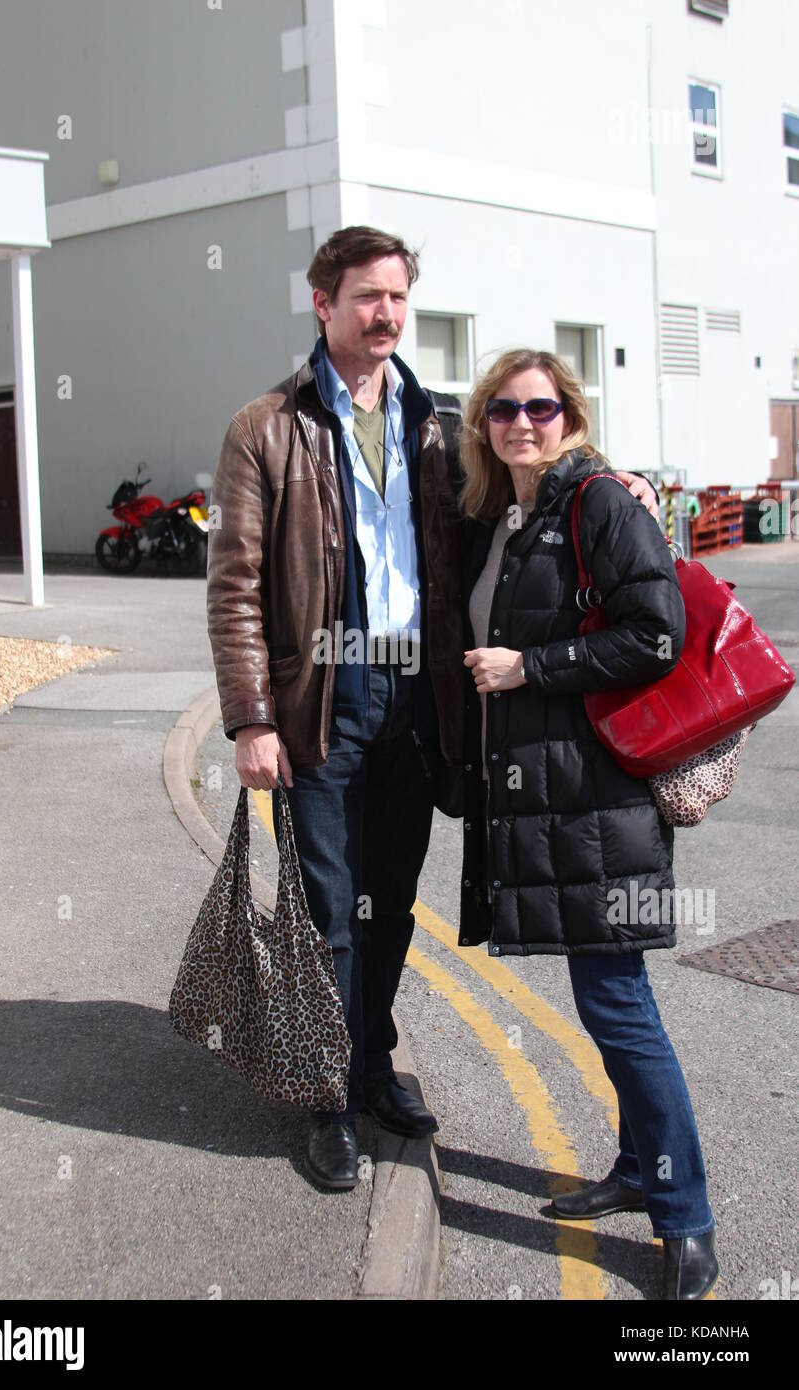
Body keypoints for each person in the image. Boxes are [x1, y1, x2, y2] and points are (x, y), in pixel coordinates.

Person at [206, 226, 659, 1192]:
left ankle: (372, 1062)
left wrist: (619, 479)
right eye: (368, 296)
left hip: (419, 695)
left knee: (388, 903)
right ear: (322, 303)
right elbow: (237, 583)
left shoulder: (435, 417)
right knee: (327, 905)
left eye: (400, 298)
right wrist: (250, 717)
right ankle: (327, 1095)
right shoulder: (265, 427)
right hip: (323, 694)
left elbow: (520, 486)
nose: (387, 315)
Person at [458, 346, 718, 1300]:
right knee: (605, 1004)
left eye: (541, 406)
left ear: (570, 414)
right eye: (502, 409)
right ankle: (635, 1169)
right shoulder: (502, 517)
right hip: (545, 800)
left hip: (598, 803)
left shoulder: (597, 502)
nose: (522, 421)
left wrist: (531, 668)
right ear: (482, 426)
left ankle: (686, 1218)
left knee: (619, 1007)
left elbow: (654, 635)